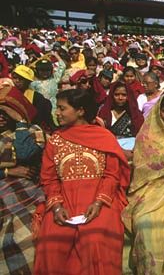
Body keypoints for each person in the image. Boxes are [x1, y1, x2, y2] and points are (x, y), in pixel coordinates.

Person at [34, 89, 130, 274]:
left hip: (100, 200)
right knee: (52, 242)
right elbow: (49, 178)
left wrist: (98, 202)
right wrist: (56, 206)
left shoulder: (104, 137)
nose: (57, 113)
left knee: (95, 240)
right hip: (64, 201)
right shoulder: (55, 141)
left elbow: (112, 175)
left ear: (80, 111)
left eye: (62, 108)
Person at [122, 93, 164, 274]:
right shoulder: (146, 134)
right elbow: (140, 164)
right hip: (147, 191)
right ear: (158, 111)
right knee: (146, 225)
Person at [0, 86, 45, 274]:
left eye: (5, 112)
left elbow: (26, 154)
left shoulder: (33, 131)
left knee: (25, 238)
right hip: (3, 195)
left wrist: (19, 123)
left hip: (29, 196)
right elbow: (16, 168)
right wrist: (8, 172)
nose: (1, 117)